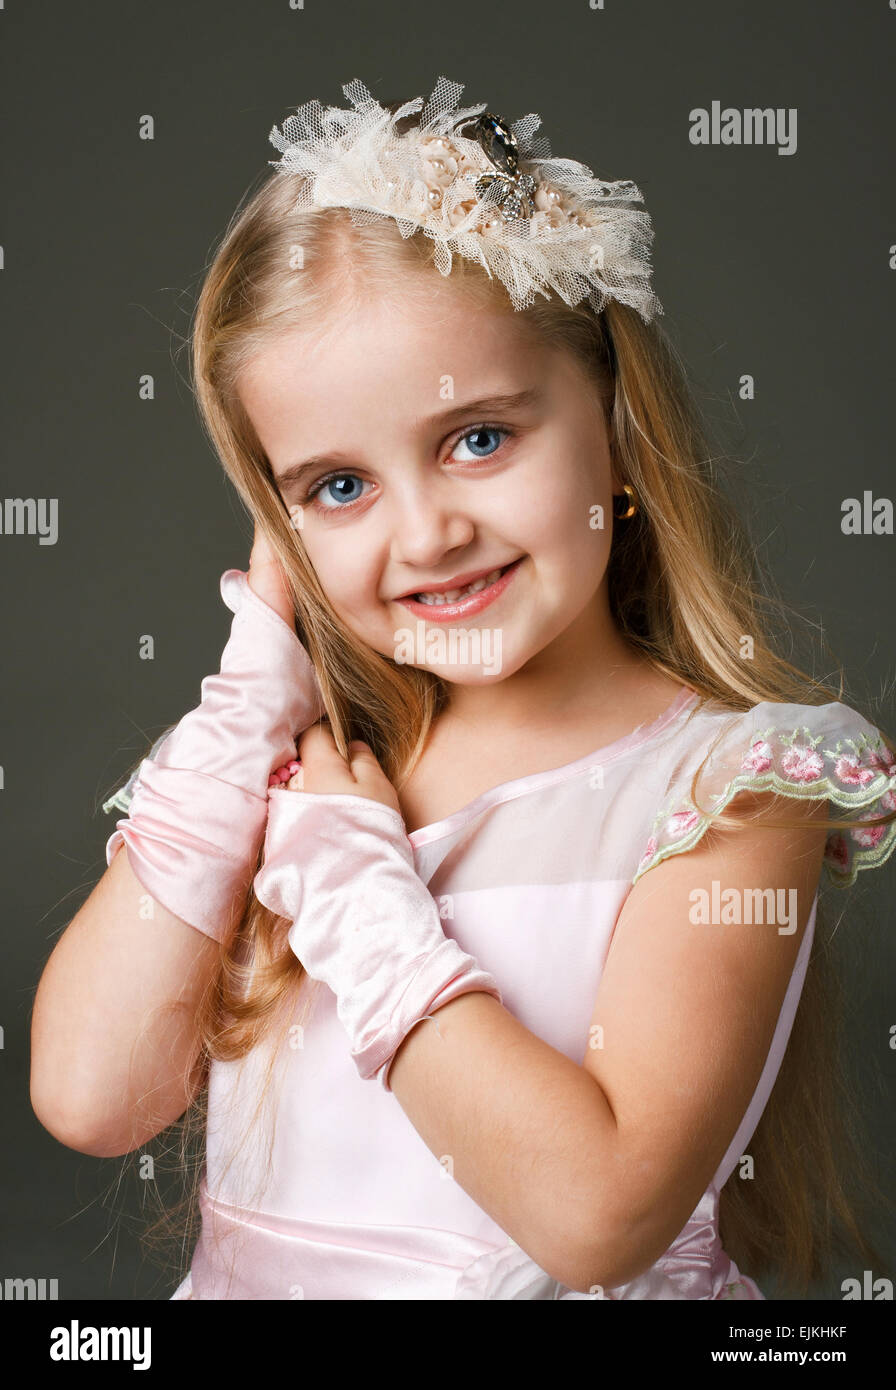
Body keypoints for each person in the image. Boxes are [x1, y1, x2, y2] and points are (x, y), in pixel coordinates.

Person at [30, 76, 896, 1300]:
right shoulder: (293, 765)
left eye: (477, 438)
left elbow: (594, 1219)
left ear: (614, 421)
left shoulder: (728, 794)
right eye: (337, 487)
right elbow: (89, 1095)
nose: (427, 535)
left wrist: (357, 897)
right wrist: (242, 721)